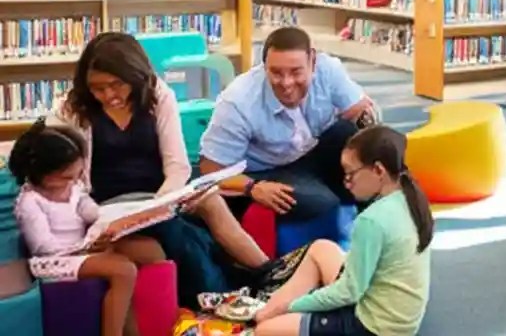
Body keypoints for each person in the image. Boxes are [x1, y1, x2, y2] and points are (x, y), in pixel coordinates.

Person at [46, 32, 269, 308]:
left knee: (211, 201)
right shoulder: (72, 110)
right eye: (98, 88)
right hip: (107, 206)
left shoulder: (157, 94)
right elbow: (67, 180)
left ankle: (267, 273)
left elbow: (176, 164)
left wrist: (161, 203)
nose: (108, 95)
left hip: (160, 193)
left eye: (117, 85)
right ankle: (223, 290)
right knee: (178, 232)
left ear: (135, 75)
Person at [251, 125, 433, 336]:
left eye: (350, 174)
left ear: (378, 171)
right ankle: (270, 309)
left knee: (264, 331)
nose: (346, 184)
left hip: (372, 327)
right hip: (399, 317)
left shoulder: (372, 220)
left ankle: (273, 312)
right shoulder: (409, 198)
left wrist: (293, 306)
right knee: (321, 248)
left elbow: (349, 292)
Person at [199, 27, 377, 222]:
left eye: (296, 72)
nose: (286, 83)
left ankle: (367, 213)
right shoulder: (238, 101)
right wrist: (252, 188)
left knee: (356, 137)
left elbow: (360, 110)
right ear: (263, 66)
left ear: (313, 62)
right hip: (264, 171)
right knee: (321, 202)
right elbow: (211, 169)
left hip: (310, 151)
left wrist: (372, 149)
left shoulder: (328, 70)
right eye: (275, 73)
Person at [11, 121, 165, 336]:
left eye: (76, 175)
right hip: (51, 261)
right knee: (123, 270)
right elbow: (42, 247)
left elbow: (91, 211)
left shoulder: (72, 189)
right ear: (43, 174)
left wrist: (116, 221)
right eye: (66, 177)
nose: (73, 182)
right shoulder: (30, 202)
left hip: (82, 250)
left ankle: (150, 325)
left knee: (148, 250)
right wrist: (85, 248)